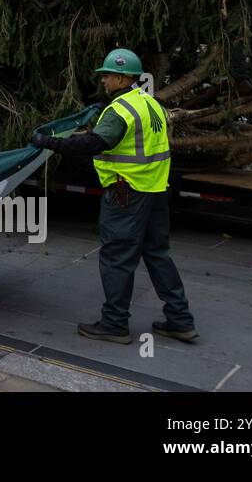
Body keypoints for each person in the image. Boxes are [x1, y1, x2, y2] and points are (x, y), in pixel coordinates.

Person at [30, 48, 196, 345]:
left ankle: (115, 323)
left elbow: (93, 143)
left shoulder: (119, 111)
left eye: (107, 75)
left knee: (117, 259)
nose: (103, 80)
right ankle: (180, 320)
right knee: (158, 255)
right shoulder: (151, 103)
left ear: (122, 77)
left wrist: (49, 142)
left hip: (126, 195)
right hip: (156, 192)